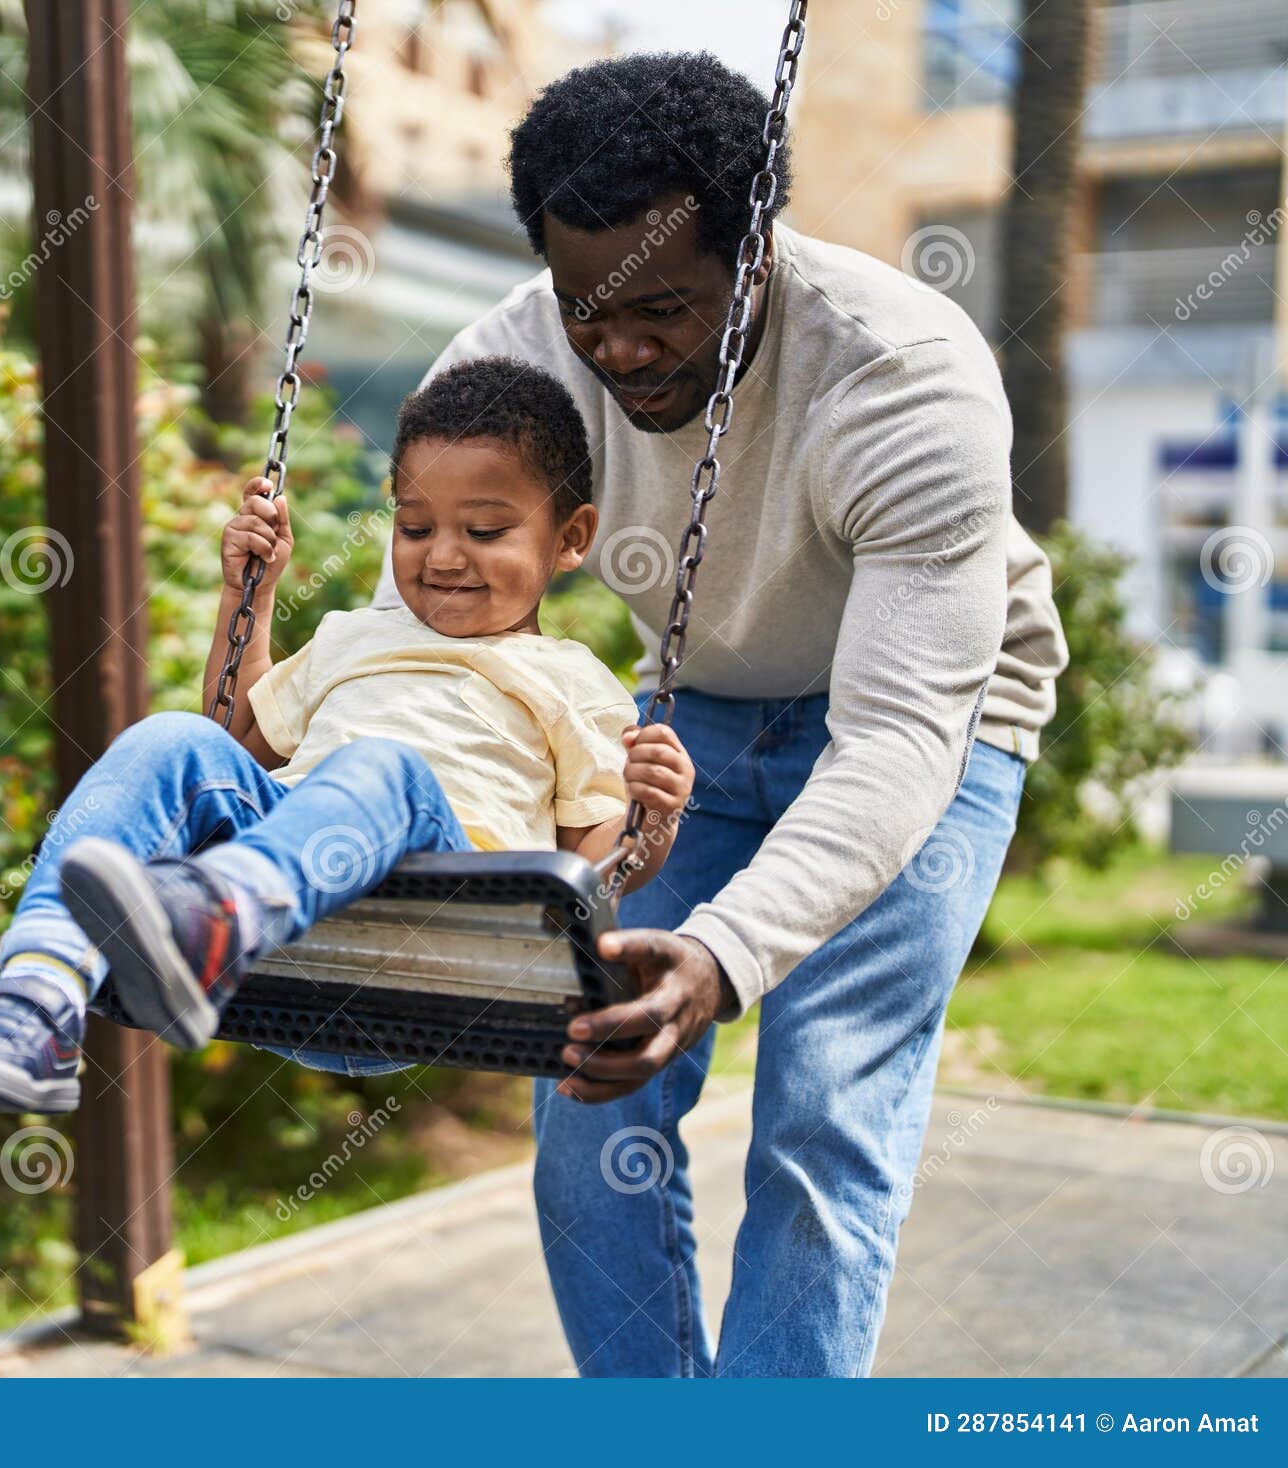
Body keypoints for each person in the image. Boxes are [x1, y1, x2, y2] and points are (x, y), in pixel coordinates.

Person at [366, 52, 1071, 1377]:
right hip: (684, 725)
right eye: (590, 310)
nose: (622, 350)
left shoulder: (902, 376)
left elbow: (900, 739)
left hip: (934, 727)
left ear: (758, 255)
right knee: (584, 1094)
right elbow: (426, 649)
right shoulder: (511, 366)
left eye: (668, 311)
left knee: (821, 1114)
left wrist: (729, 949)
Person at [0, 358, 694, 1107]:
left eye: (487, 531)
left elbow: (598, 864)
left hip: (442, 939)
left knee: (383, 768)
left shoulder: (571, 678)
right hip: (295, 954)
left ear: (570, 537)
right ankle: (35, 999)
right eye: (416, 526)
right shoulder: (353, 636)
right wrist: (246, 600)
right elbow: (233, 743)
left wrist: (651, 813)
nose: (445, 555)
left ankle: (217, 921)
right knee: (167, 740)